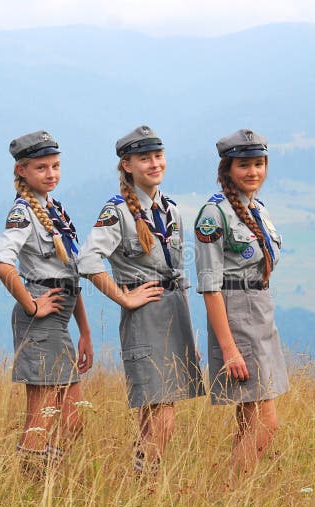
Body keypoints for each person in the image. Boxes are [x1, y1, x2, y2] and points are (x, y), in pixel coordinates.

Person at [76, 125, 205, 477]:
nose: (153, 163)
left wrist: (189, 337)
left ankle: (140, 487)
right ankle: (145, 486)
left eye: (158, 156)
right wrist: (124, 298)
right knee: (161, 416)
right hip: (145, 315)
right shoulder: (116, 211)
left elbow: (178, 277)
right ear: (127, 165)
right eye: (144, 158)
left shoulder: (171, 210)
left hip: (174, 313)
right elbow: (87, 259)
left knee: (158, 416)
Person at [0, 130, 93, 474]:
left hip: (62, 319)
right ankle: (28, 484)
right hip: (40, 320)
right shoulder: (23, 212)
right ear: (22, 171)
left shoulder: (55, 210)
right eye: (41, 168)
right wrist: (32, 305)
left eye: (55, 166)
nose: (51, 174)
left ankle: (46, 481)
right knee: (42, 415)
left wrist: (85, 331)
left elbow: (71, 274)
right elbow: (3, 264)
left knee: (74, 420)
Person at [194, 128, 289, 472]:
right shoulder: (213, 214)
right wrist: (229, 348)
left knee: (250, 423)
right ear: (227, 170)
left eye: (259, 164)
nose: (253, 172)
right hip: (237, 316)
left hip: (261, 312)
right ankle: (226, 493)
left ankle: (236, 500)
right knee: (267, 424)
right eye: (244, 165)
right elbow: (209, 285)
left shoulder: (257, 209)